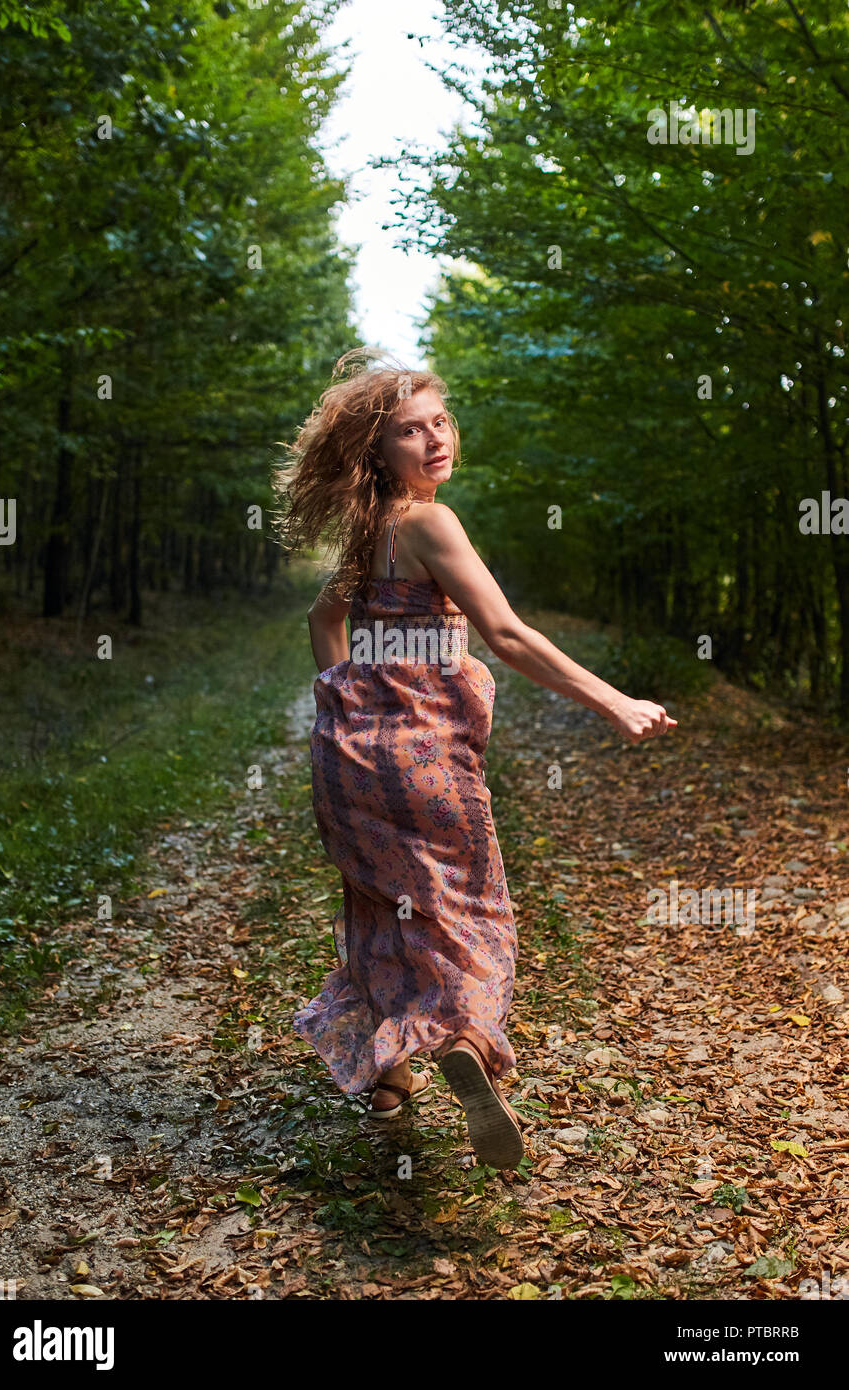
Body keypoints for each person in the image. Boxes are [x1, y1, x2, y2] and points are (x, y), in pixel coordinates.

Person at [273, 349, 676, 1169]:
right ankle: (464, 1039)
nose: (434, 441)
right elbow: (508, 634)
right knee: (470, 914)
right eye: (409, 432)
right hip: (425, 766)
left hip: (349, 763)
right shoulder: (428, 522)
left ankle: (388, 1079)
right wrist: (615, 701)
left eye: (439, 423)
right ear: (377, 453)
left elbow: (323, 621)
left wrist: (341, 698)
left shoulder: (369, 526)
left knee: (386, 910)